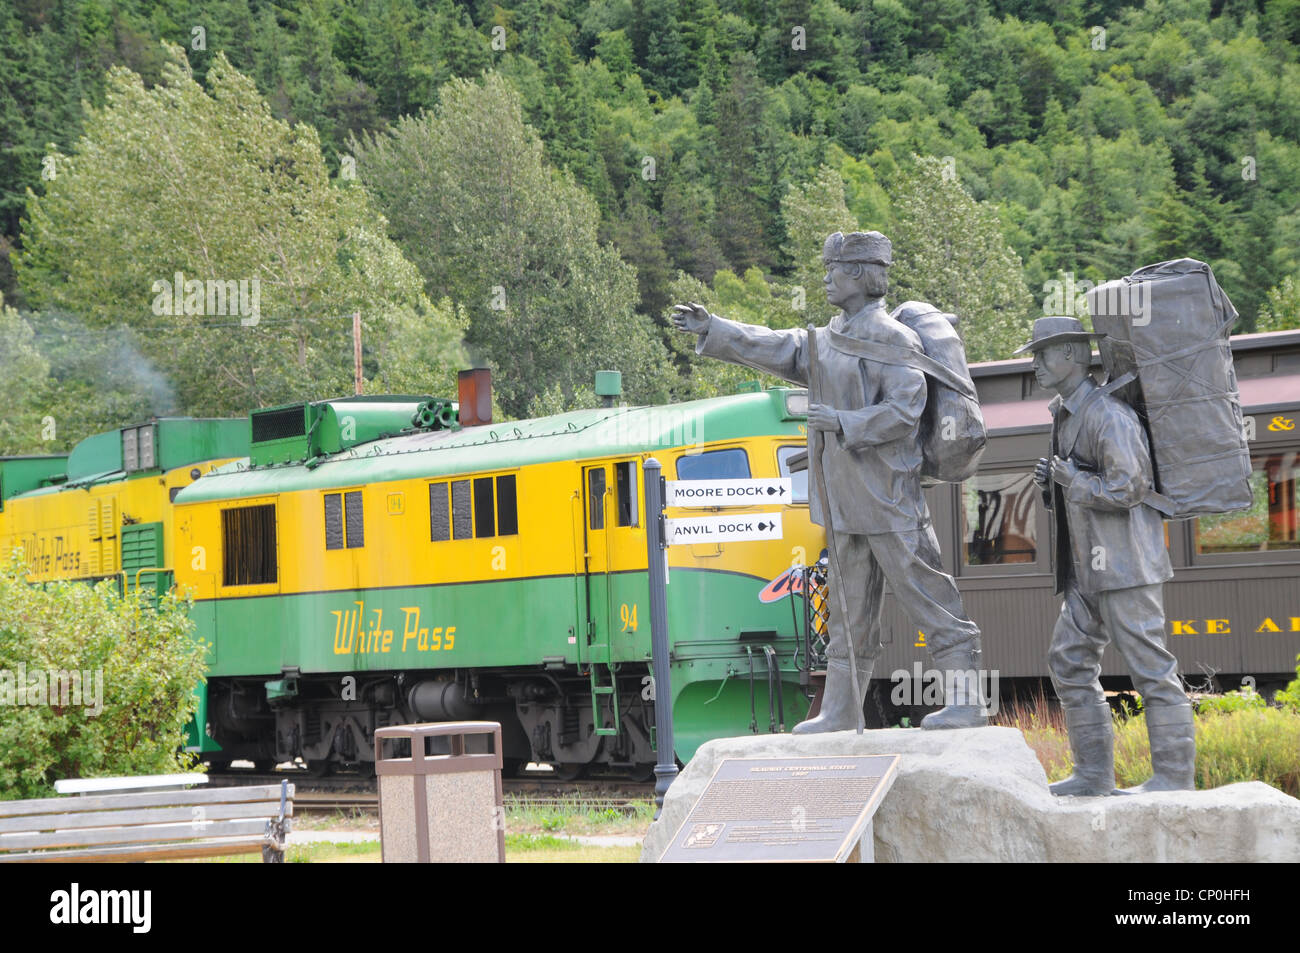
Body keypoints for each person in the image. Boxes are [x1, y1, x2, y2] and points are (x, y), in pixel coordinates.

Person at [672, 231, 987, 732]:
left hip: (888, 498)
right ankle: (841, 712)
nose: (825, 279)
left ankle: (969, 703)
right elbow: (777, 345)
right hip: (842, 503)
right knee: (846, 613)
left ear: (860, 275)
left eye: (833, 269)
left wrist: (844, 422)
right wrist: (717, 328)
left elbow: (907, 409)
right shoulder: (827, 339)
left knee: (928, 596)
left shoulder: (893, 339)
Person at [1017, 316, 1195, 794]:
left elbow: (1130, 486)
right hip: (1086, 572)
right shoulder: (1067, 415)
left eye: (1042, 354)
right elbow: (1080, 488)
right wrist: (1052, 485)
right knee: (1069, 662)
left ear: (1072, 356)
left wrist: (1074, 481)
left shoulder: (1110, 415)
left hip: (1125, 568)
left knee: (1151, 670)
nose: (1035, 364)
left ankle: (1174, 778)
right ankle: (1093, 776)